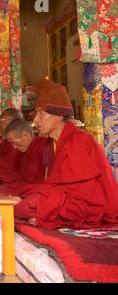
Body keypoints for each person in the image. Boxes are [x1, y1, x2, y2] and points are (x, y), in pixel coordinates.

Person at [15, 79, 118, 229]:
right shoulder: (50, 143)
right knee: (26, 203)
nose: (35, 120)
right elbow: (53, 184)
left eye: (40, 113)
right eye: (35, 114)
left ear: (58, 115)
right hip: (66, 199)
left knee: (27, 205)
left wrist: (35, 199)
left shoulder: (79, 141)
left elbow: (83, 196)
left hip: (91, 205)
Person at [0, 119, 46, 195]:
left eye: (15, 142)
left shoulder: (40, 147)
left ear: (26, 135)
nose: (14, 147)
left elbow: (31, 183)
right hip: (16, 186)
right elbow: (4, 168)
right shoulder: (20, 150)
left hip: (29, 190)